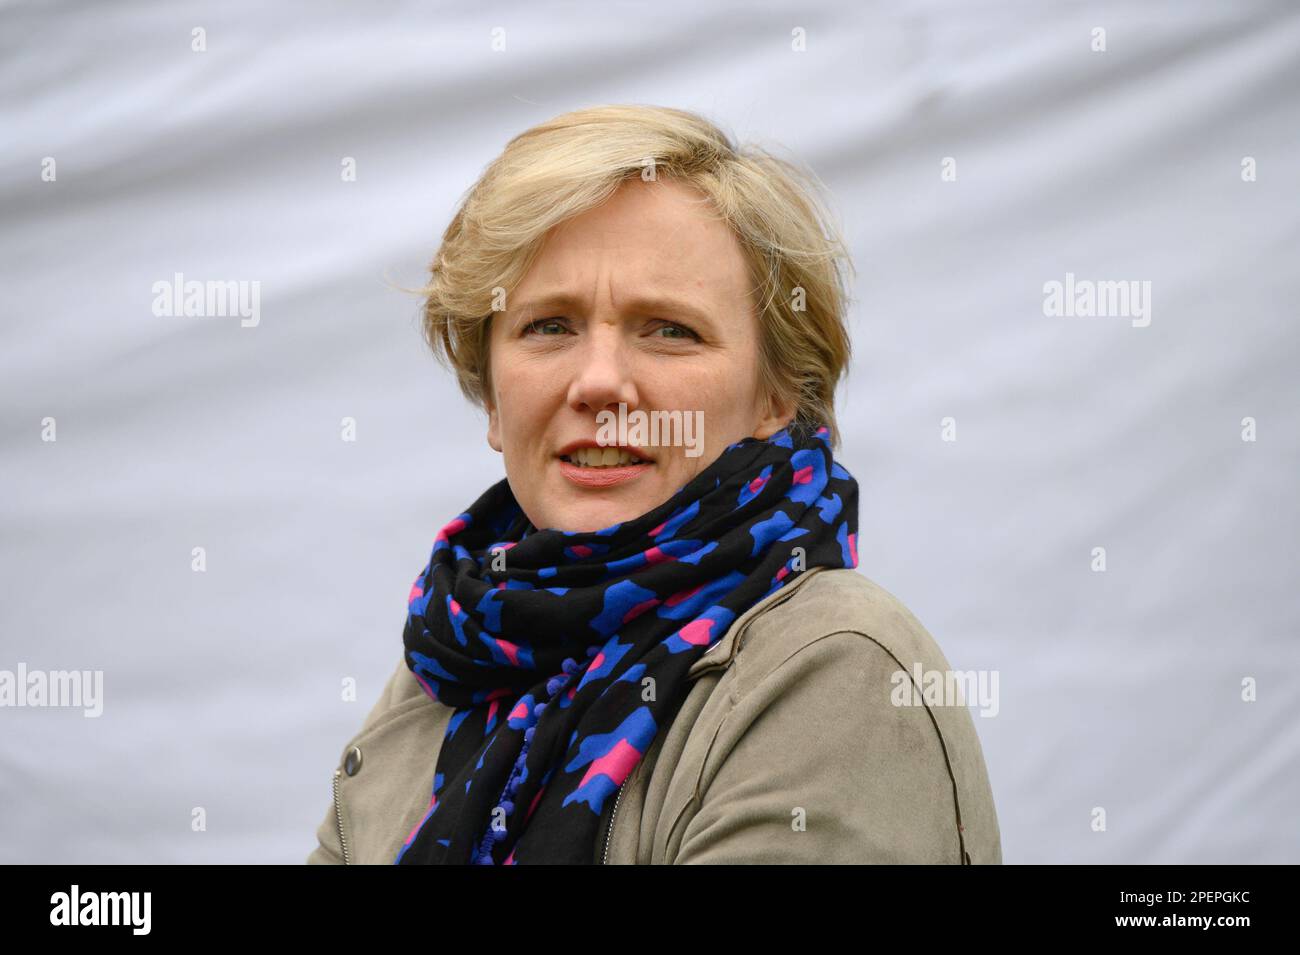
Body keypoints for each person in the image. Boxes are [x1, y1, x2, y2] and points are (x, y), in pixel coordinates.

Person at [307, 104, 1001, 864]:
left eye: (670, 329)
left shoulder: (835, 667)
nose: (600, 383)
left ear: (777, 397)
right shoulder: (447, 664)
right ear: (493, 399)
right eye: (548, 326)